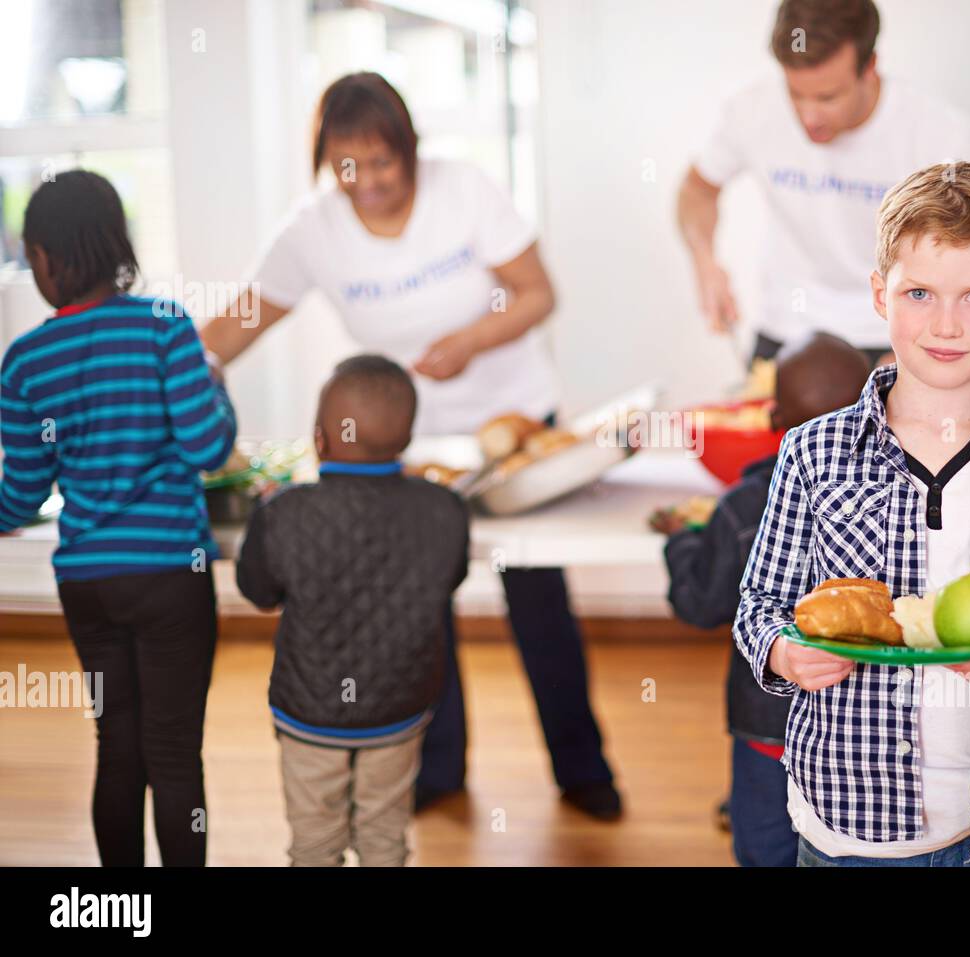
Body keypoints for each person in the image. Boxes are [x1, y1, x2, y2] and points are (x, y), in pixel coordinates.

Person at [199, 72, 620, 819]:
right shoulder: (311, 232)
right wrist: (161, 371)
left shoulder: (465, 190)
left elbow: (537, 293)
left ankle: (581, 769)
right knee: (422, 603)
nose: (367, 181)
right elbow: (232, 330)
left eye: (382, 161)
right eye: (346, 165)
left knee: (538, 600)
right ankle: (439, 769)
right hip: (410, 440)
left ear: (411, 150)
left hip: (511, 422)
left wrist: (469, 341)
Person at [734, 161, 970, 866]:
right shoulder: (813, 454)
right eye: (919, 293)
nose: (946, 323)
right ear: (881, 294)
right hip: (851, 812)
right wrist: (787, 652)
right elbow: (759, 604)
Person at [0, 170, 237, 865]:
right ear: (118, 246)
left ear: (43, 258)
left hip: (88, 584)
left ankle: (123, 906)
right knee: (173, 752)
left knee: (118, 743)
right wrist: (216, 386)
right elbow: (206, 445)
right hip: (171, 573)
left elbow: (21, 493)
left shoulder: (25, 362)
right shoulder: (164, 328)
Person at [236, 355, 469, 866]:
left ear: (319, 438)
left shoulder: (285, 512)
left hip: (309, 712)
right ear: (406, 438)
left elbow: (259, 593)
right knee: (385, 833)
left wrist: (263, 515)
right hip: (400, 708)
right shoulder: (444, 508)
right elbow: (446, 580)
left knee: (314, 841)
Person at [657, 332, 870, 866]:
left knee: (766, 844)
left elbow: (700, 604)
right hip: (866, 732)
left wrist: (683, 540)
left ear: (773, 418)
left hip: (768, 727)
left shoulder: (745, 505)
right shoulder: (896, 496)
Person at [677, 0, 970, 367]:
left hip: (894, 336)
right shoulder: (752, 110)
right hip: (787, 334)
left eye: (827, 97)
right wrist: (704, 261)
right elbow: (698, 190)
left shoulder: (941, 135)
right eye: (795, 93)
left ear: (870, 67)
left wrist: (921, 345)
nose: (808, 117)